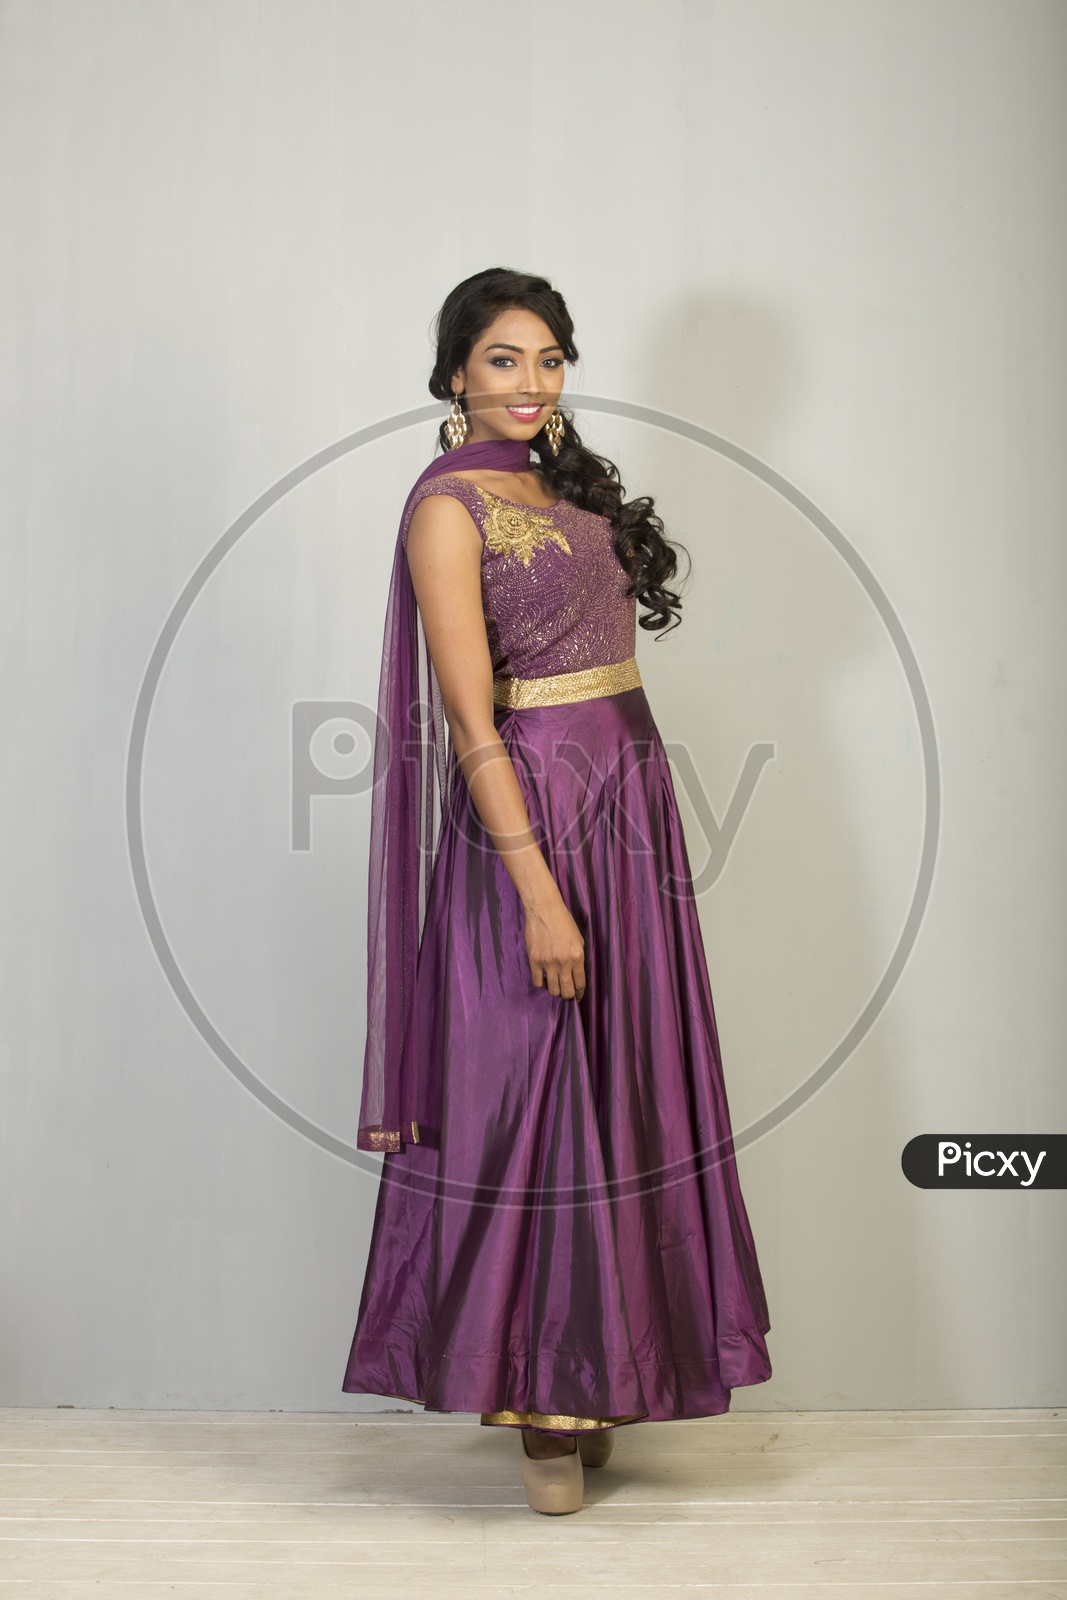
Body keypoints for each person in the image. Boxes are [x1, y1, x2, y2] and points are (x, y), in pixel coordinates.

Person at [343, 268, 772, 1515]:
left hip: (623, 809)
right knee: (535, 1103)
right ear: (453, 375)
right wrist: (532, 888)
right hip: (527, 819)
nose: (528, 384)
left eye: (546, 359)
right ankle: (536, 1395)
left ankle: (603, 1369)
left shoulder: (559, 480)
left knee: (622, 1090)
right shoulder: (444, 507)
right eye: (500, 362)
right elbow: (469, 720)